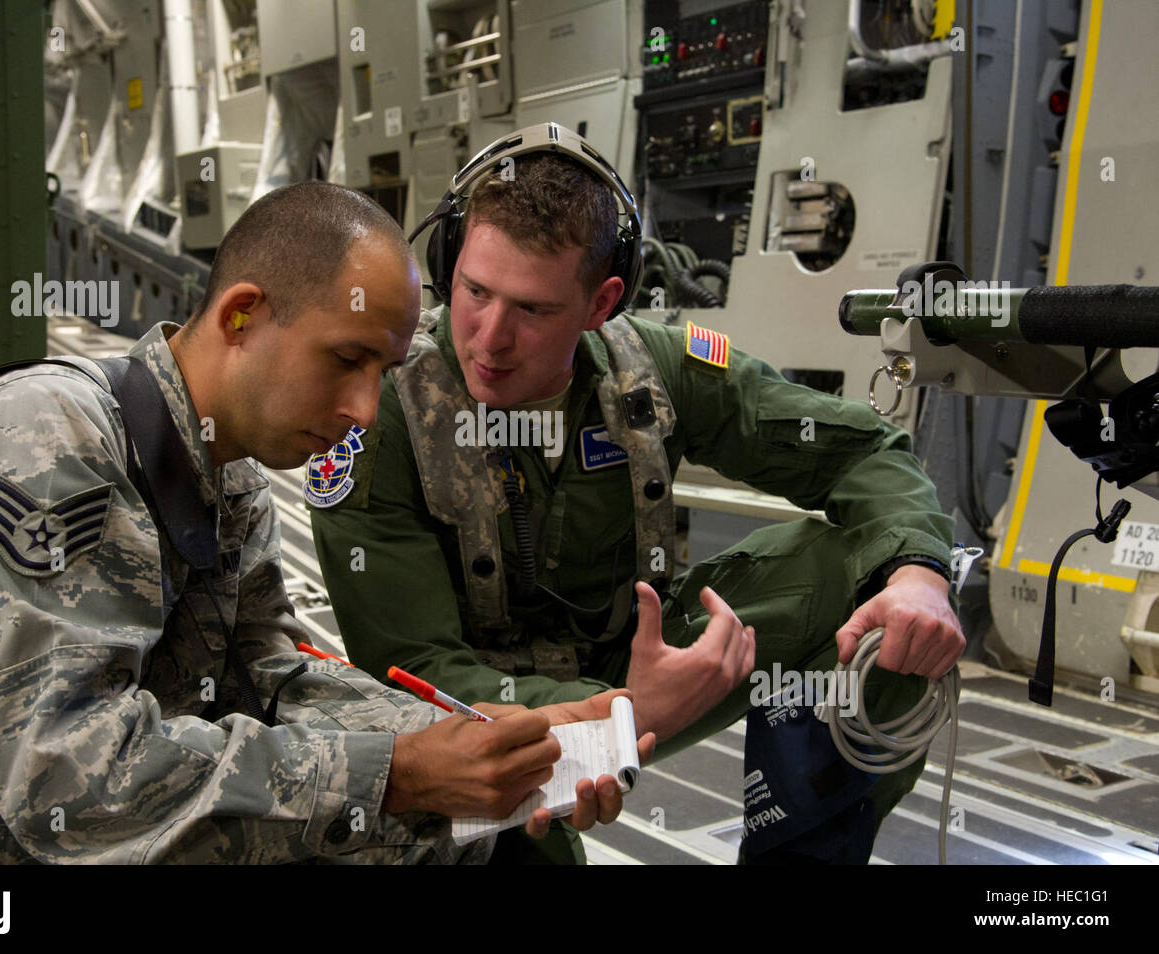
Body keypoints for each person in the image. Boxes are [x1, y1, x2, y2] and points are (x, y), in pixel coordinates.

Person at [0, 181, 652, 864]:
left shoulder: (228, 475)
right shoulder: (46, 438)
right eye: (346, 360)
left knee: (475, 832)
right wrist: (397, 772)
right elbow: (65, 779)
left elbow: (270, 677)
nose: (364, 411)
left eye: (385, 374)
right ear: (242, 315)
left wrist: (485, 736)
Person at [309, 125, 965, 864]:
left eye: (531, 310)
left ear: (602, 302)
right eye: (473, 291)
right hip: (477, 716)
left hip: (642, 658)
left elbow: (861, 450)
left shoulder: (651, 374)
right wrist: (607, 719)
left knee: (865, 578)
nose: (488, 338)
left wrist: (917, 578)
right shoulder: (383, 416)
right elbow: (413, 667)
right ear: (447, 264)